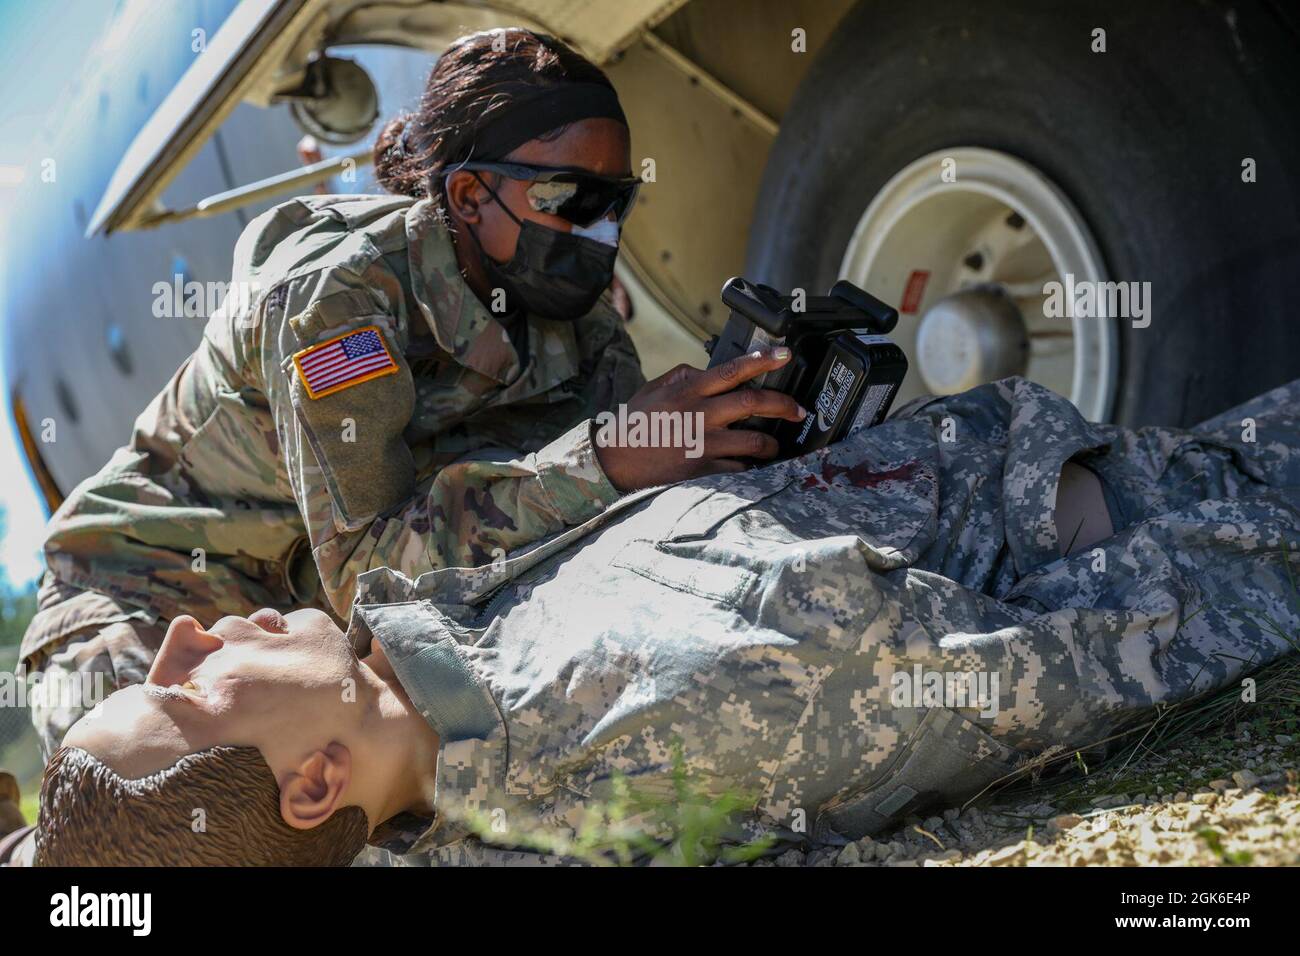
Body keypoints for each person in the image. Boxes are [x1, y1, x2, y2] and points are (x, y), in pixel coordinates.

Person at [32, 375, 1300, 866]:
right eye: (185, 690)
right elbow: (1090, 651)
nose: (182, 635)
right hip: (1148, 502)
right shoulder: (662, 694)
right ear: (314, 782)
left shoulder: (429, 683)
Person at [19, 29, 806, 757]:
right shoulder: (337, 300)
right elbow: (372, 581)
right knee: (164, 780)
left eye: (615, 204)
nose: (600, 235)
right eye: (571, 201)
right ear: (468, 197)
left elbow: (612, 511)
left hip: (298, 623)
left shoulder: (573, 316)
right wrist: (608, 457)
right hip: (143, 595)